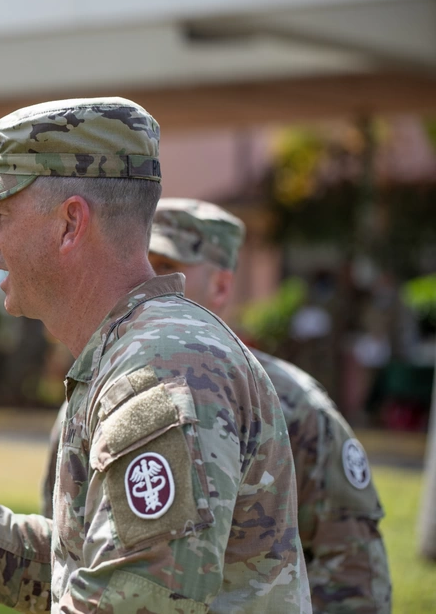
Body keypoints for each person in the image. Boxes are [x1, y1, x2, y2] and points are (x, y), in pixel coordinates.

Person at [0, 97, 310, 611]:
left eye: (1, 214)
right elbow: (76, 564)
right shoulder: (129, 355)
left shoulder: (157, 373)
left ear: (71, 223)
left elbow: (131, 601)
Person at [145, 198, 391, 612]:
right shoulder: (101, 389)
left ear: (221, 287)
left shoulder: (293, 405)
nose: (147, 280)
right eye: (141, 263)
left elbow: (353, 572)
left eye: (167, 266)